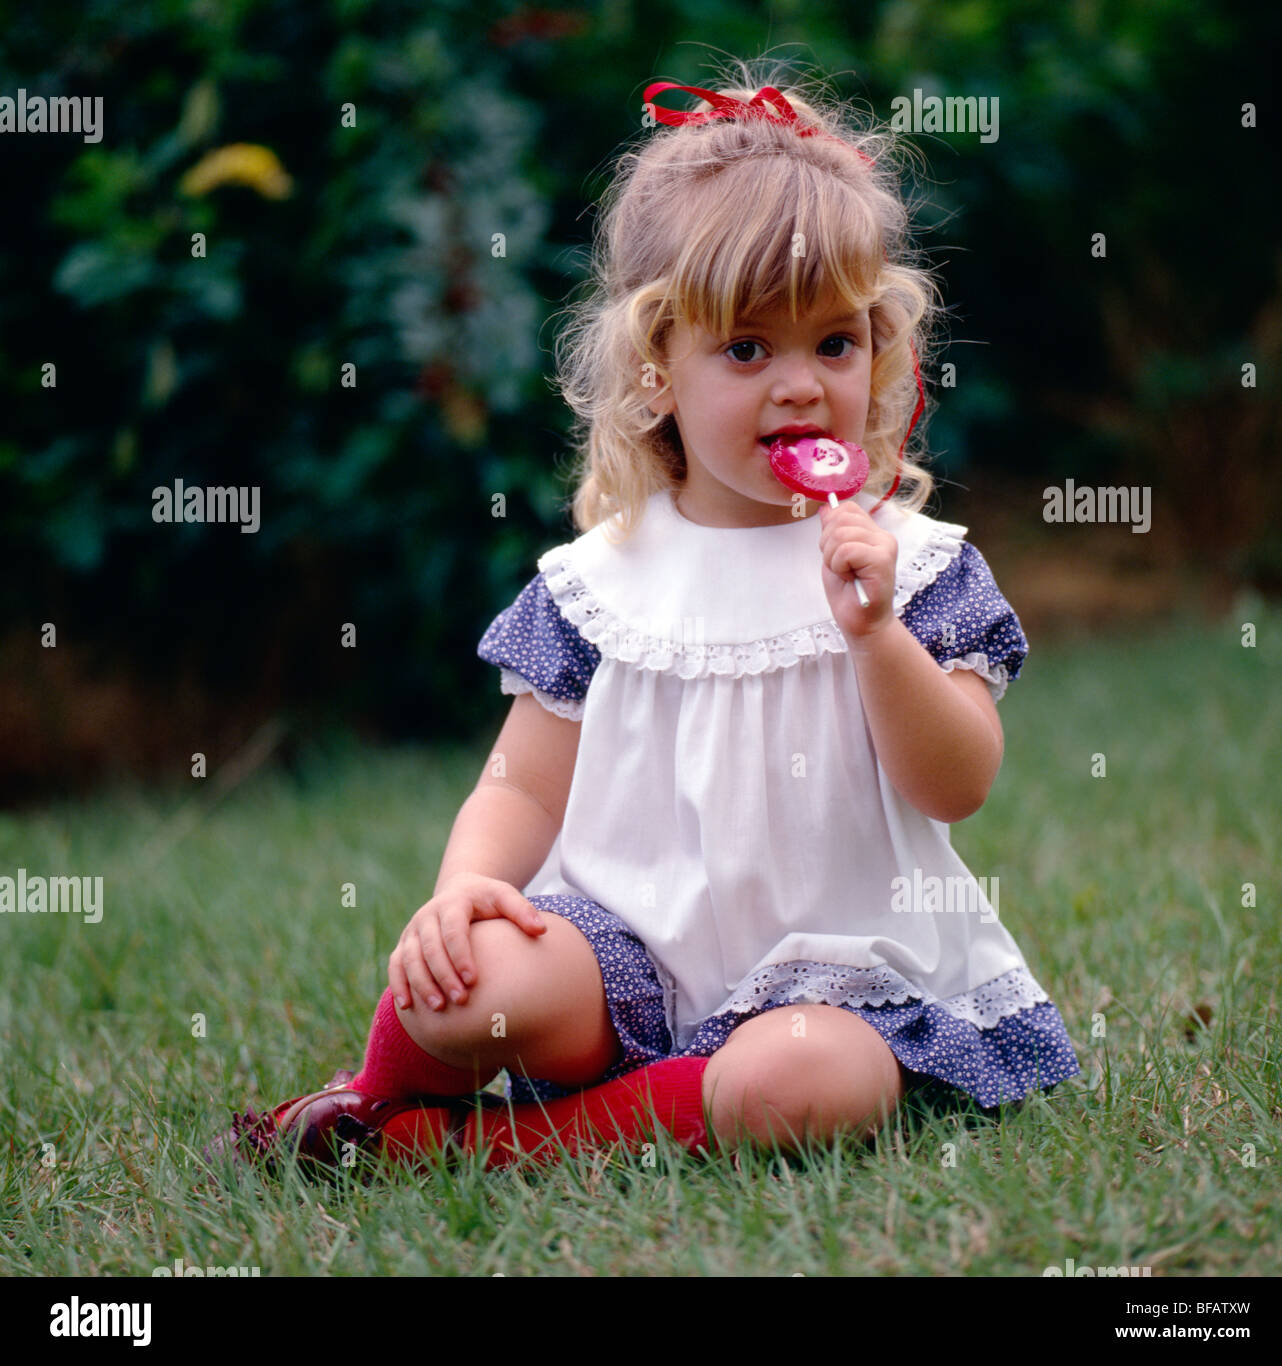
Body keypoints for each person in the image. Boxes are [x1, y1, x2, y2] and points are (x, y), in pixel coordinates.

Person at [207, 61, 1080, 1176]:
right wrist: (467, 888)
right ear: (658, 366)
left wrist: (874, 638)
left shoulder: (912, 570)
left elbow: (956, 782)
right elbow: (521, 785)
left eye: (835, 343)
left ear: (881, 347)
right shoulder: (602, 582)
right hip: (616, 961)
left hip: (841, 981)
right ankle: (366, 1103)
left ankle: (478, 1147)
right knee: (459, 988)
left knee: (797, 1085)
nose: (802, 385)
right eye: (747, 349)